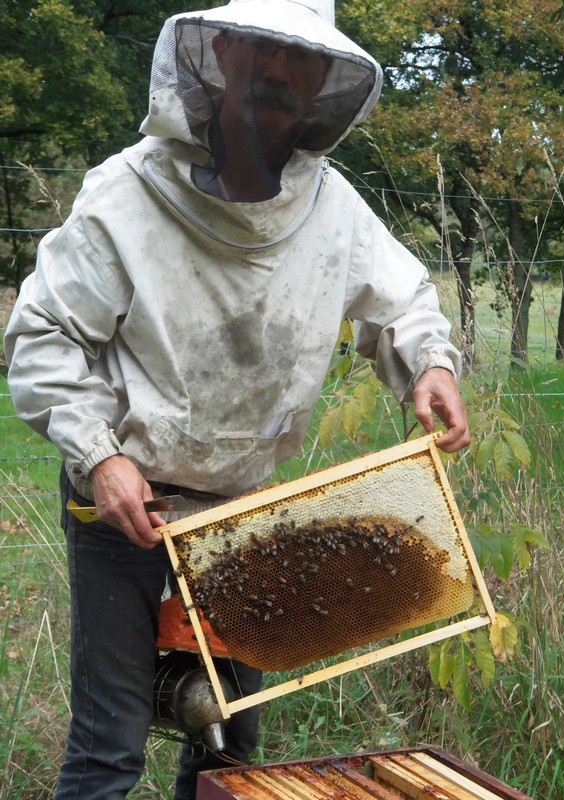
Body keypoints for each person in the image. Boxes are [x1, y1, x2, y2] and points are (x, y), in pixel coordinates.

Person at [4, 0, 471, 797]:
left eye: (302, 57)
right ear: (221, 49)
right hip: (128, 504)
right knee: (109, 745)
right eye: (262, 46)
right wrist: (100, 454)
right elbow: (44, 336)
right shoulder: (123, 196)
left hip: (247, 515)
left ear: (325, 77)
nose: (281, 70)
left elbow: (403, 300)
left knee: (228, 748)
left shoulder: (334, 208)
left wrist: (430, 363)